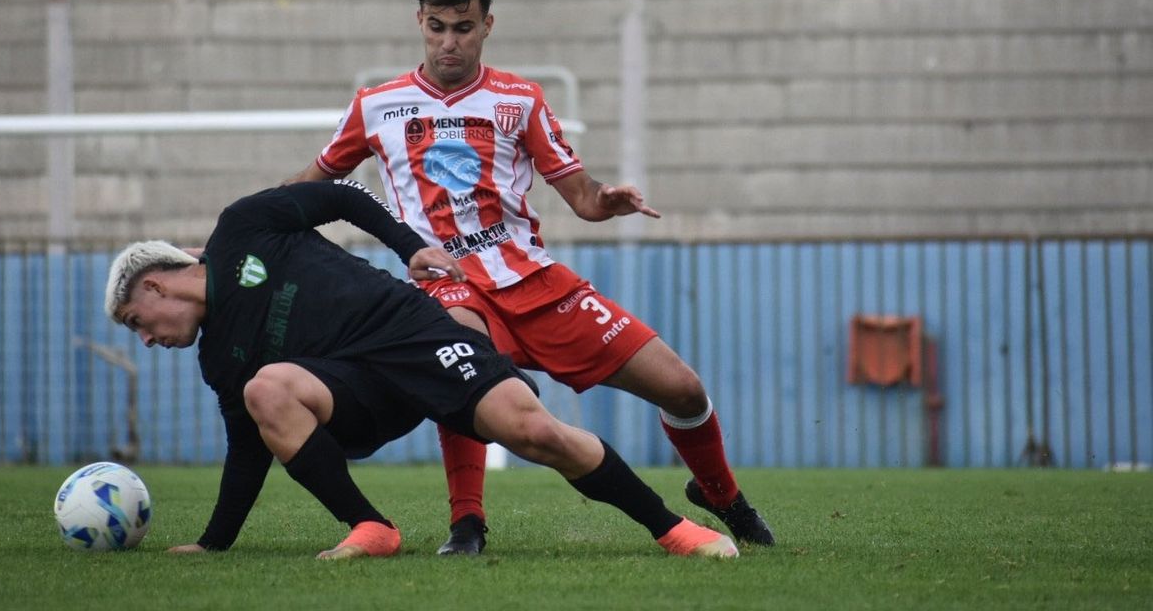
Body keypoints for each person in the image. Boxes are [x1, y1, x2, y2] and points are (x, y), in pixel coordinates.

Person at [289, 0, 775, 555]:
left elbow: (582, 198)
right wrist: (235, 235)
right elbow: (307, 189)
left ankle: (721, 495)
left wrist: (607, 198)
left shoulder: (520, 99)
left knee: (683, 389)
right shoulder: (376, 105)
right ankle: (467, 523)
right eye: (436, 26)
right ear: (418, 20)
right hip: (450, 283)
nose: (449, 42)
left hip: (535, 282)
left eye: (463, 28)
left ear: (487, 25)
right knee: (458, 357)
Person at [103, 179, 737, 559]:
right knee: (266, 390)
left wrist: (410, 247)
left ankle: (673, 529)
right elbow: (247, 449)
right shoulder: (219, 359)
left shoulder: (243, 227)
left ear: (155, 286)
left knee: (535, 433)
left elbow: (343, 194)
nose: (148, 340)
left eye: (137, 322)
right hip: (354, 396)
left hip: (408, 334)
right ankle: (372, 527)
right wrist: (214, 543)